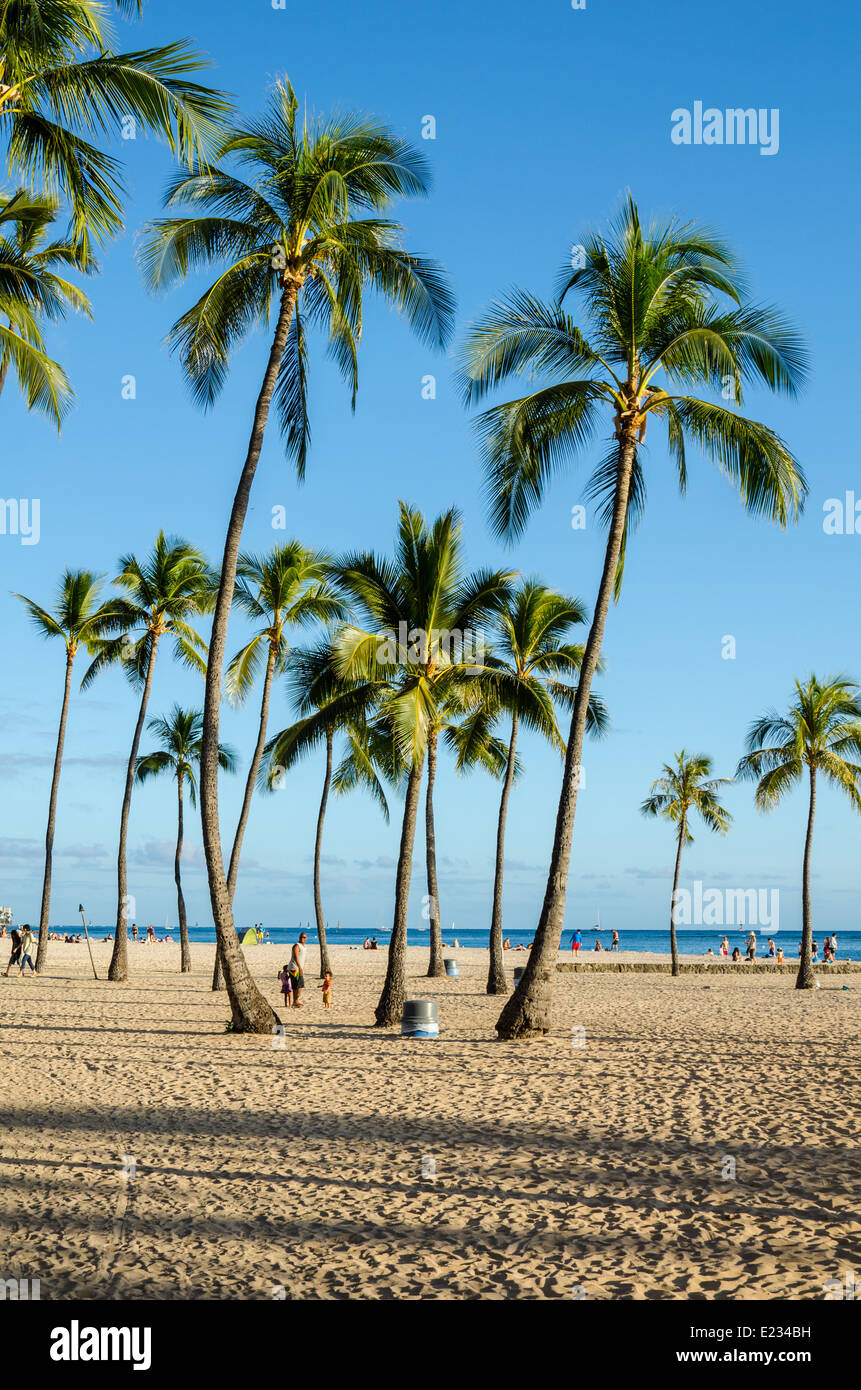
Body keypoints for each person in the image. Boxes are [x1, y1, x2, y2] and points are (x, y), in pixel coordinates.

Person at [289, 932, 308, 1007]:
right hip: (294, 968)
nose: (302, 939)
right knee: (299, 985)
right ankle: (295, 1001)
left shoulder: (304, 947)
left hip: (298, 968)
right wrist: (300, 968)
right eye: (301, 937)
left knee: (297, 986)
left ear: (306, 938)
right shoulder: (297, 946)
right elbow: (296, 958)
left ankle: (295, 1001)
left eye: (304, 937)